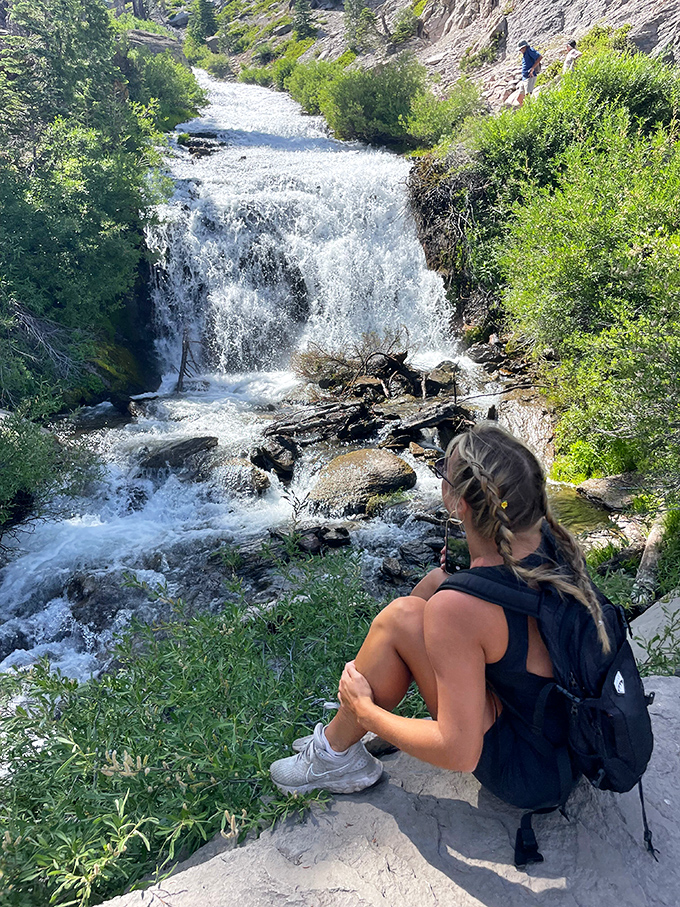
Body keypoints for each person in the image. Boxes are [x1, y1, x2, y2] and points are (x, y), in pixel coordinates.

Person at [270, 423, 611, 814]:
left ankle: (336, 750)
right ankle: (345, 734)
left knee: (403, 615)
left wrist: (369, 713)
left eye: (443, 475)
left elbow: (459, 753)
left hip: (532, 775)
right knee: (429, 591)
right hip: (568, 741)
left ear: (458, 503)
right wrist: (451, 583)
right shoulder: (556, 546)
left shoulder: (460, 608)